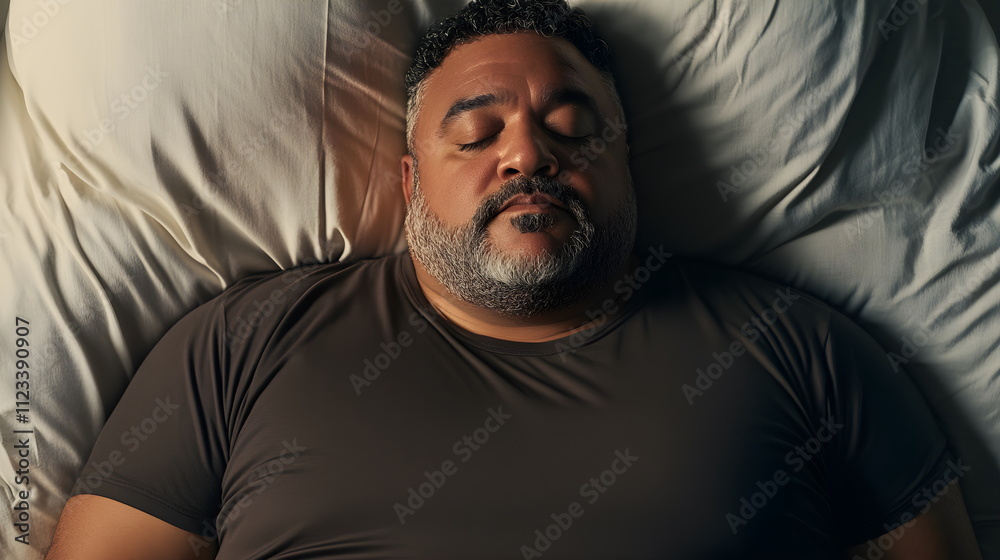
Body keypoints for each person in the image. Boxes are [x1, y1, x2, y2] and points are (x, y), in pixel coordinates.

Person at [45, 0, 983, 558]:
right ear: (412, 180)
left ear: (629, 169)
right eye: (476, 131)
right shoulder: (241, 349)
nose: (528, 153)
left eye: (574, 129)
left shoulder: (801, 352)